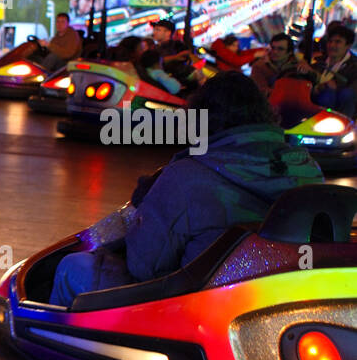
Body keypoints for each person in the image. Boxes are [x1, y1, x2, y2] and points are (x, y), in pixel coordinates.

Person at [50, 71, 324, 307]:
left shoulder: (186, 176)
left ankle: (58, 355)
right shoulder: (306, 167)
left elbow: (143, 265)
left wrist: (145, 205)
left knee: (72, 268)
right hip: (280, 295)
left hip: (197, 304)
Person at [298, 22, 357, 117]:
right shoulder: (319, 62)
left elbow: (352, 91)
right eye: (330, 41)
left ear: (348, 45)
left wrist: (328, 86)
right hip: (314, 107)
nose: (332, 45)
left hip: (340, 111)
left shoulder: (354, 67)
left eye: (338, 42)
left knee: (335, 94)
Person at [151, 18, 196, 84]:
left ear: (168, 33)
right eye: (155, 29)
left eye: (158, 30)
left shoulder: (177, 46)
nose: (154, 32)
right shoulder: (155, 48)